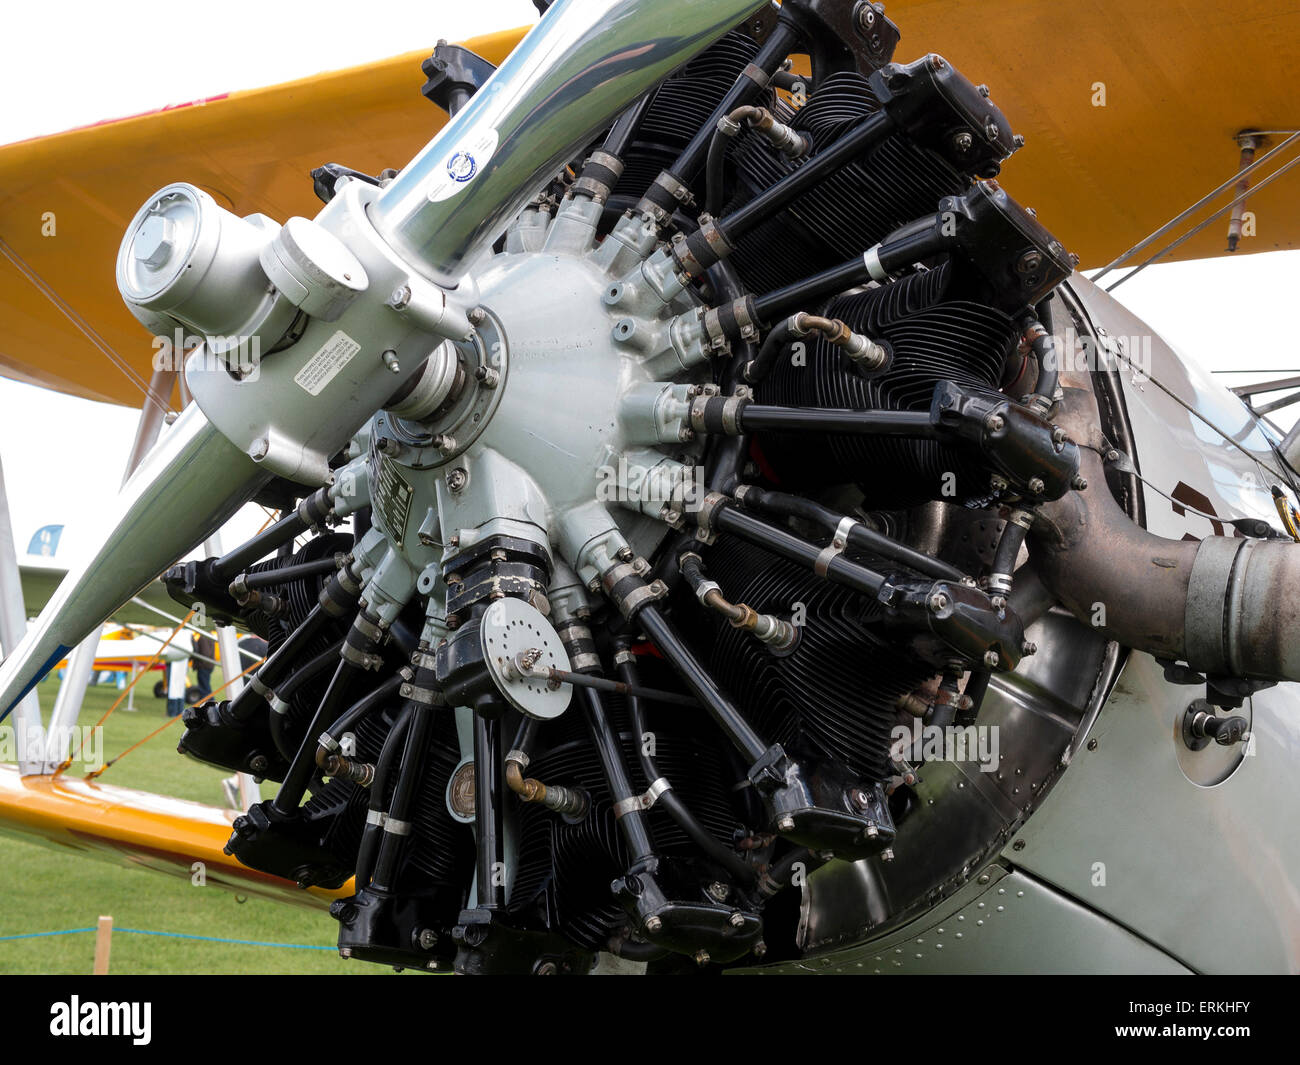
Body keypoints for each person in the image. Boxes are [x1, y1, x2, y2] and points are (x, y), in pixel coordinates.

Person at [192, 632, 216, 700]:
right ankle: (210, 702)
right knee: (205, 686)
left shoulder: (204, 637)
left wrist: (199, 664)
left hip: (204, 666)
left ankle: (209, 702)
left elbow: (206, 653)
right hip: (208, 665)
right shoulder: (209, 636)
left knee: (204, 687)